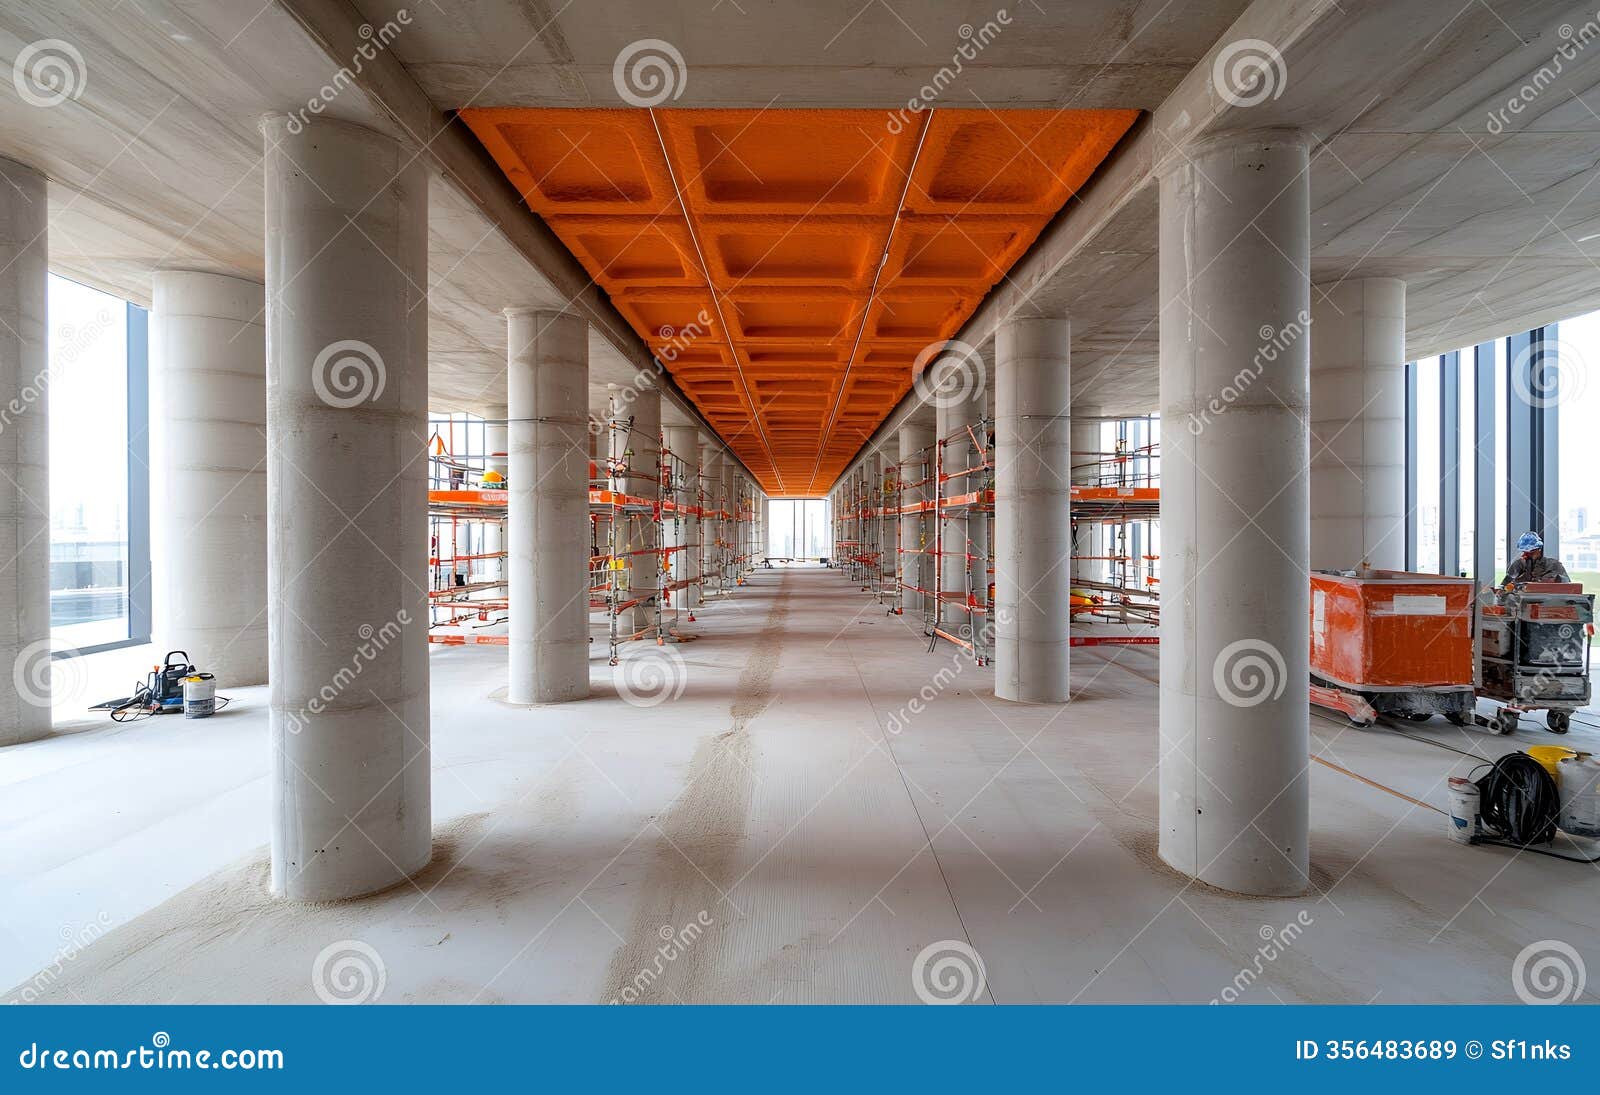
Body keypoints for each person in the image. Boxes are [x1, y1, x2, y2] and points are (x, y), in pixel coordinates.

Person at [1501, 531, 1570, 587]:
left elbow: (1567, 585)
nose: (1526, 555)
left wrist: (1551, 581)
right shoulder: (1519, 564)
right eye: (1525, 552)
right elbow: (1506, 582)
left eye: (1530, 552)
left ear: (1538, 549)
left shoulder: (1554, 565)